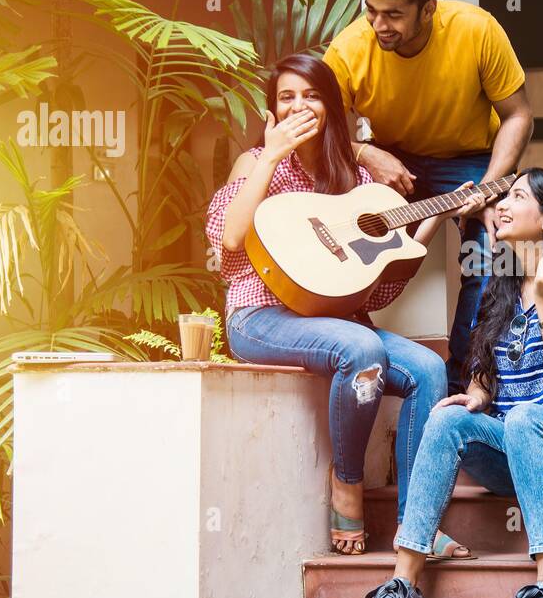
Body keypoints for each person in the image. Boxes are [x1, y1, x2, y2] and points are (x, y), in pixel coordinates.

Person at [205, 54, 487, 557]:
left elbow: (375, 280)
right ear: (271, 111)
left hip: (337, 318)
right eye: (286, 97)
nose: (299, 107)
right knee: (361, 349)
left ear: (332, 107)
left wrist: (440, 214)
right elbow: (229, 238)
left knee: (427, 368)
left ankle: (416, 522)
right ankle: (347, 482)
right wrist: (270, 157)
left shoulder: (356, 179)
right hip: (261, 315)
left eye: (311, 95)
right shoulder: (255, 163)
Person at [356, 169, 543, 598]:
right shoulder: (500, 281)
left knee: (526, 418)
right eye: (503, 197)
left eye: (517, 196)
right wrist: (478, 394)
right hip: (521, 447)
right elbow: (485, 360)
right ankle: (404, 583)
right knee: (448, 419)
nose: (501, 205)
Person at [324, 0, 535, 395]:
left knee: (492, 257)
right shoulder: (349, 50)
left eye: (394, 15)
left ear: (429, 9)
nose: (379, 25)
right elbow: (322, 131)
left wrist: (492, 187)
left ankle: (466, 374)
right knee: (346, 243)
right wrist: (365, 153)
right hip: (391, 158)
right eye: (372, 11)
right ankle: (345, 346)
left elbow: (518, 116)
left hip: (473, 158)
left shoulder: (476, 30)